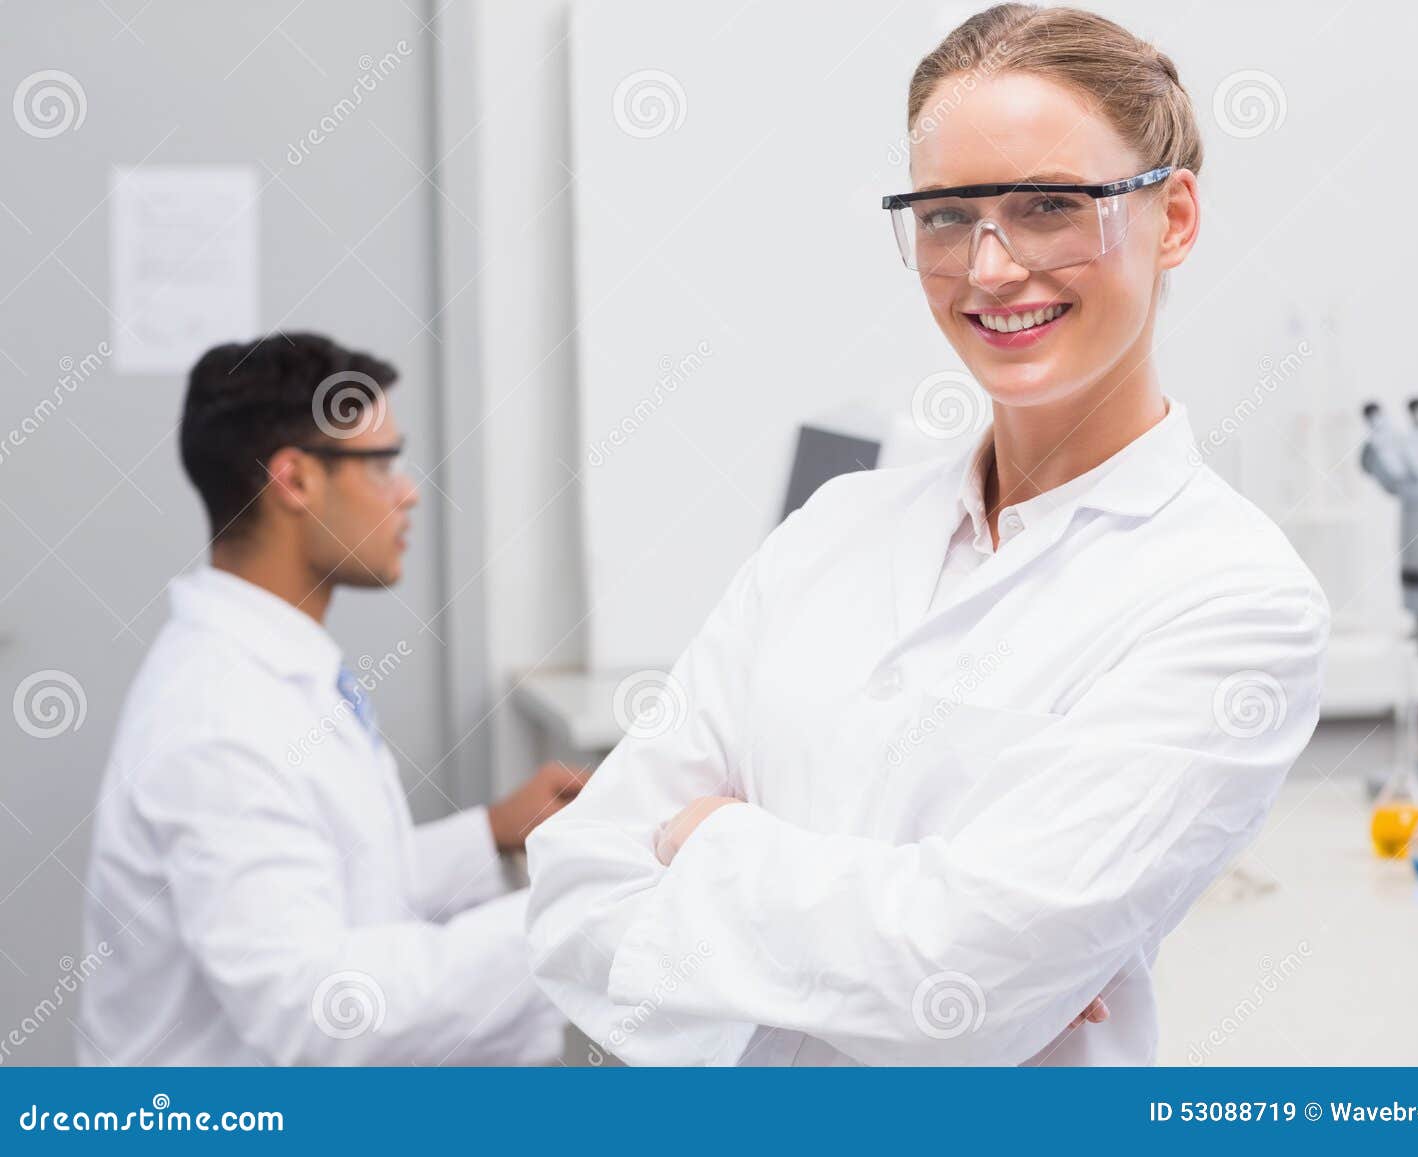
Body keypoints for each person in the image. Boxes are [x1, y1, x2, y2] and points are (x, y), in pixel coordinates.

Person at [522, 4, 1329, 1066]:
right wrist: (935, 945)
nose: (989, 268)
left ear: (1173, 217)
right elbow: (572, 898)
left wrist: (703, 838)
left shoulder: (1234, 594)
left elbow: (959, 986)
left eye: (1049, 206)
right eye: (947, 215)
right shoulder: (834, 527)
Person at [79, 332, 583, 1065]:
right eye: (383, 463)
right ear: (294, 481)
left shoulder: (269, 662)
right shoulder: (219, 724)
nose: (408, 492)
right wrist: (580, 911)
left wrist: (492, 834)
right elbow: (318, 1013)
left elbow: (331, 882)